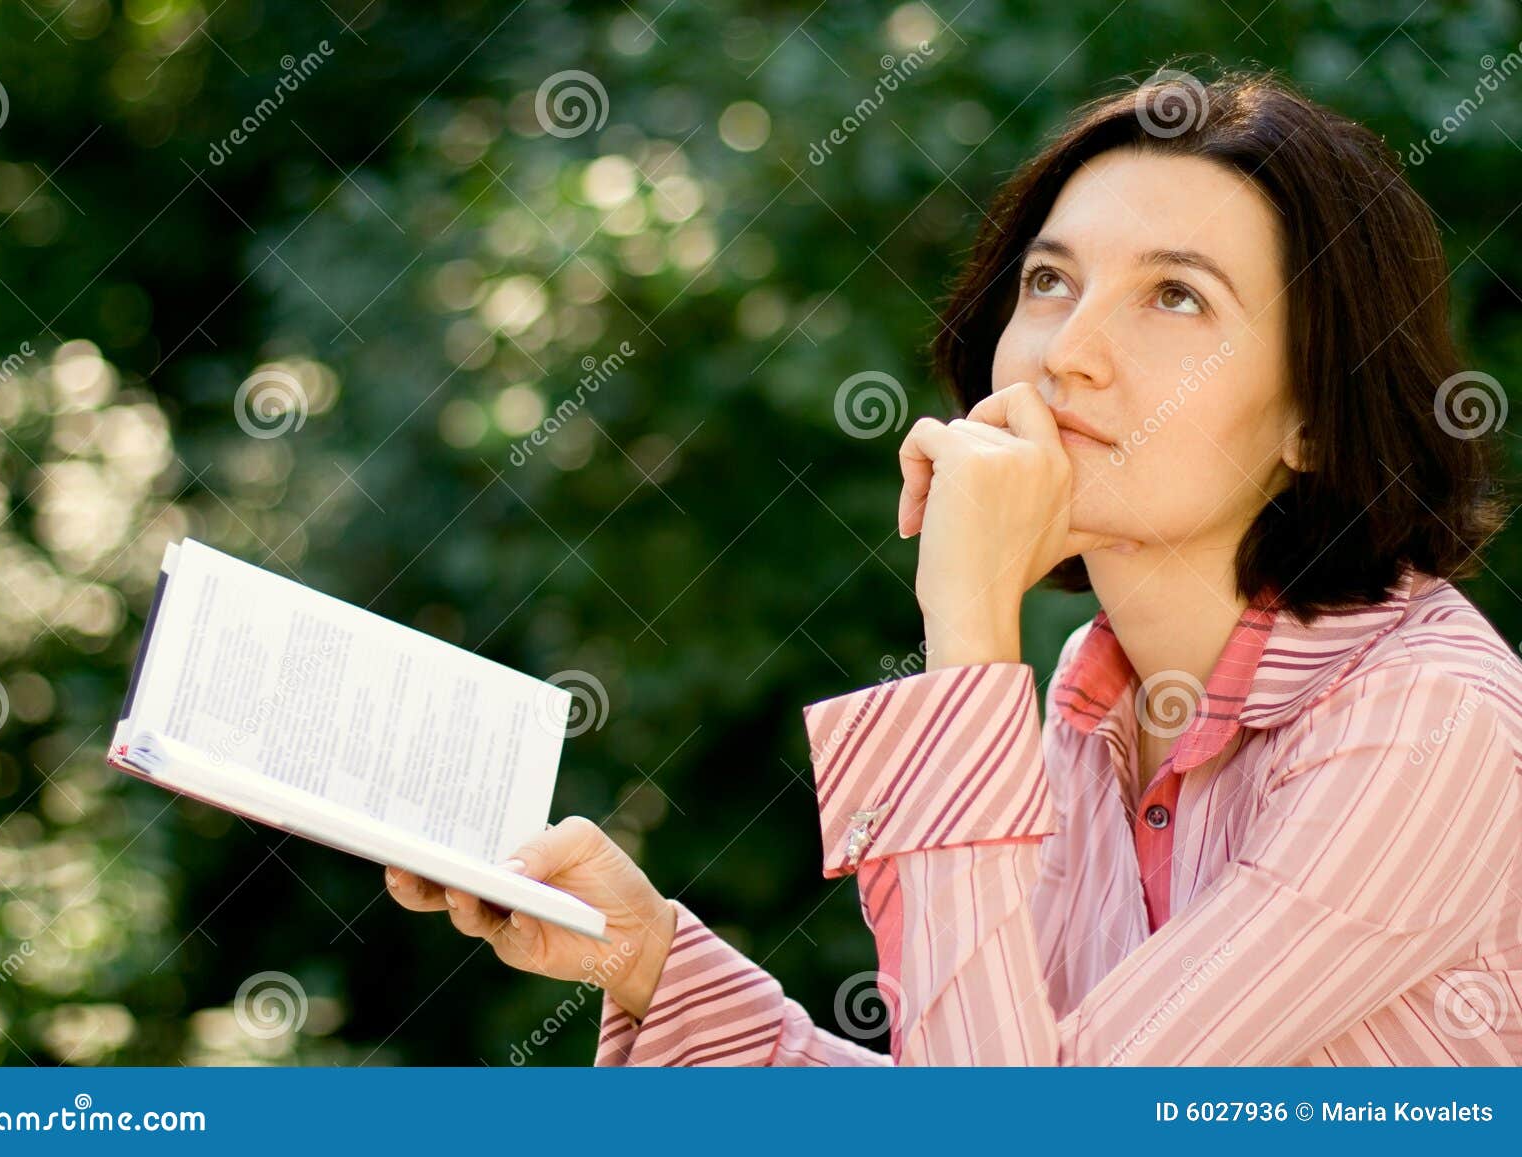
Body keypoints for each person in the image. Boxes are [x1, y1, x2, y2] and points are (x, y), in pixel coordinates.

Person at [387, 70, 1522, 1065]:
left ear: (1316, 417)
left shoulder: (1428, 723)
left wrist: (968, 625)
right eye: (1048, 283)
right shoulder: (1097, 696)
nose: (1068, 351)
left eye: (1175, 296)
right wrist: (647, 958)